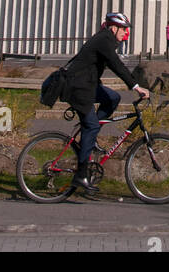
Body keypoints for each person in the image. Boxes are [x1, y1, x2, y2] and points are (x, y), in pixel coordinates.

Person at [62, 12, 149, 192]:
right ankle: (81, 175)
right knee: (91, 126)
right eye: (123, 29)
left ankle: (90, 137)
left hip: (87, 85)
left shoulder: (106, 40)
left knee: (113, 98)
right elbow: (116, 65)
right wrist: (136, 87)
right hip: (78, 88)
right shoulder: (104, 40)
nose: (125, 33)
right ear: (113, 28)